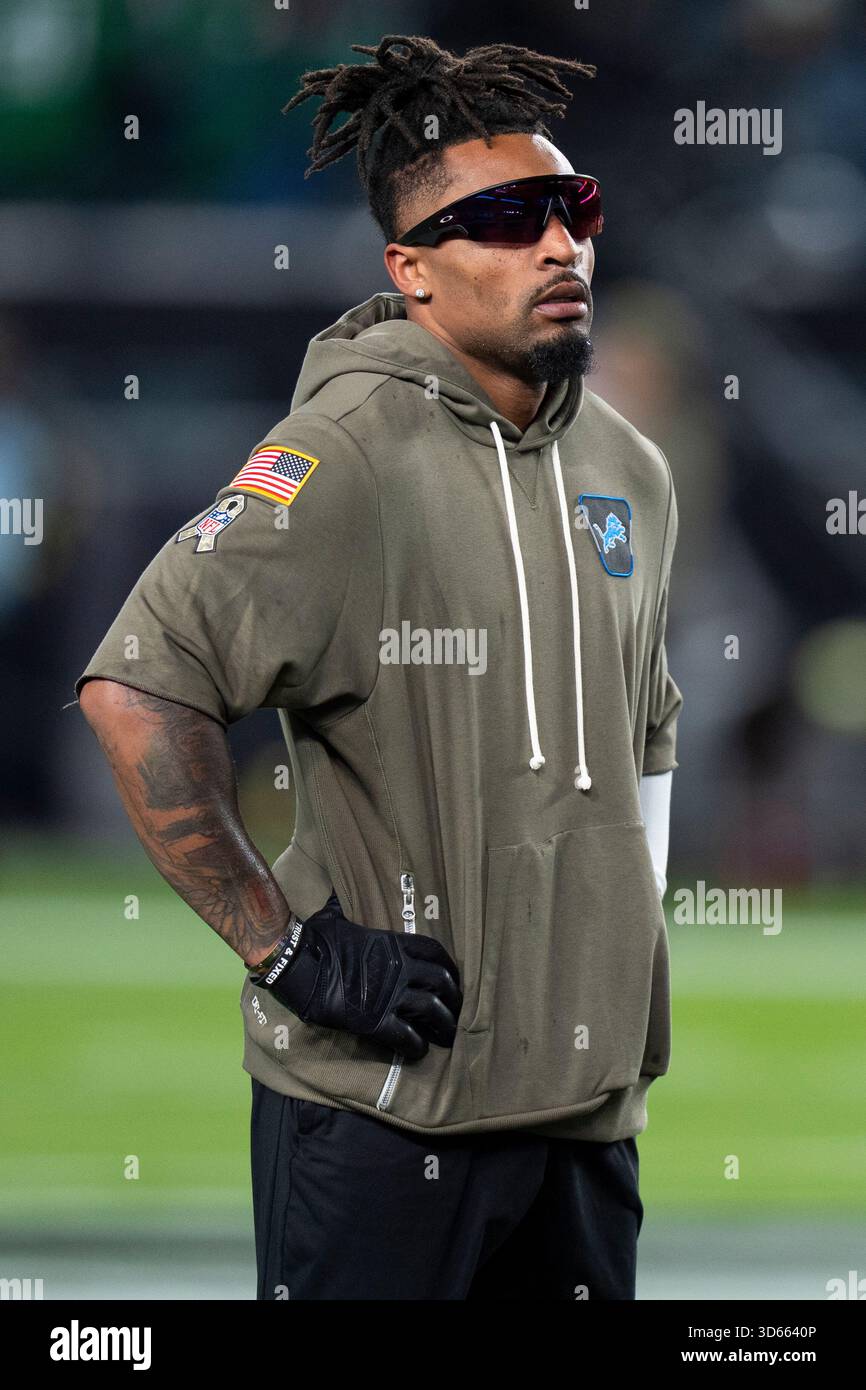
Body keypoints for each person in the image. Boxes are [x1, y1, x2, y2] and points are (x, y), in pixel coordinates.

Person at [75, 35, 682, 1301]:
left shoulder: (628, 467)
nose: (559, 245)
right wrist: (287, 949)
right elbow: (138, 682)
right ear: (410, 269)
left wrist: (619, 969)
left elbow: (645, 728)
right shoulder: (340, 454)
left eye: (572, 208)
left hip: (580, 1130)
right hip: (383, 1119)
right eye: (509, 220)